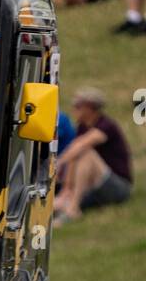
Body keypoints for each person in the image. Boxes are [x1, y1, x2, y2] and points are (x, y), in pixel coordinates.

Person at [53, 87, 133, 221]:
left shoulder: (106, 126)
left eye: (78, 106)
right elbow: (74, 151)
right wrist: (66, 188)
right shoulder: (82, 127)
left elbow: (82, 145)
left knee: (86, 153)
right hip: (95, 184)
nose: (74, 109)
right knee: (56, 204)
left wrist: (58, 163)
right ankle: (67, 201)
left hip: (118, 186)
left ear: (90, 107)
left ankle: (73, 207)